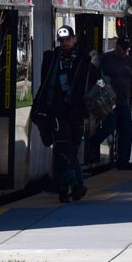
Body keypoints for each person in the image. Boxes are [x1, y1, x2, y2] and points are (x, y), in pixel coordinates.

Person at [36, 24, 97, 203]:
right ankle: (69, 187)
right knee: (64, 151)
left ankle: (73, 185)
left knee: (68, 152)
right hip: (58, 113)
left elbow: (96, 80)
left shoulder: (85, 60)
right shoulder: (52, 57)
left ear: (74, 38)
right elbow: (45, 82)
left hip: (77, 113)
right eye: (61, 40)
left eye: (68, 39)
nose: (65, 43)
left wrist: (95, 92)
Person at [98, 37, 132, 170]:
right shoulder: (106, 58)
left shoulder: (128, 60)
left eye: (125, 49)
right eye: (121, 49)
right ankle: (92, 148)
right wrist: (102, 87)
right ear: (116, 46)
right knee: (109, 127)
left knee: (127, 131)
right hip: (109, 103)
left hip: (123, 101)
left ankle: (123, 161)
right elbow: (95, 76)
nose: (123, 52)